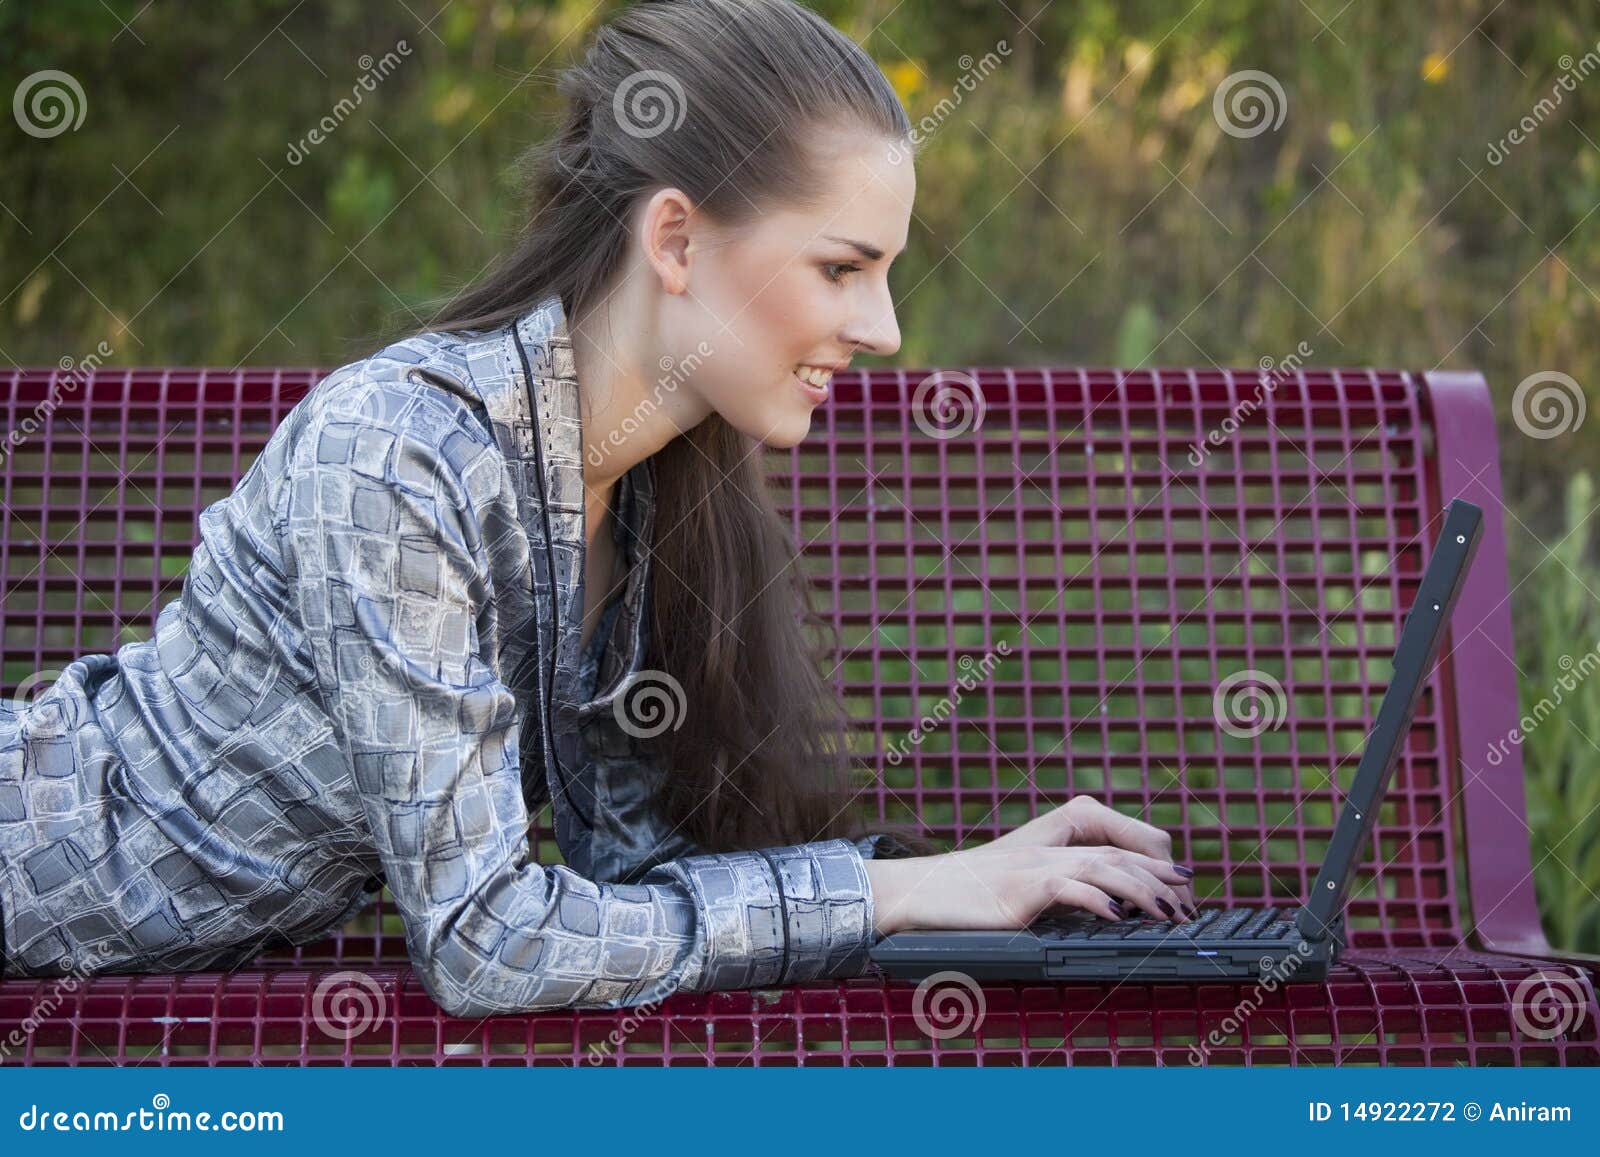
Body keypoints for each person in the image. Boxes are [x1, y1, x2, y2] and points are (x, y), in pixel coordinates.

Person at [0, 0, 1194, 1017]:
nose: (884, 329)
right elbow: (486, 941)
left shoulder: (643, 489)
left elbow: (631, 883)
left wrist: (971, 886)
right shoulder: (400, 455)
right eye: (842, 267)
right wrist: (896, 891)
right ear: (673, 237)